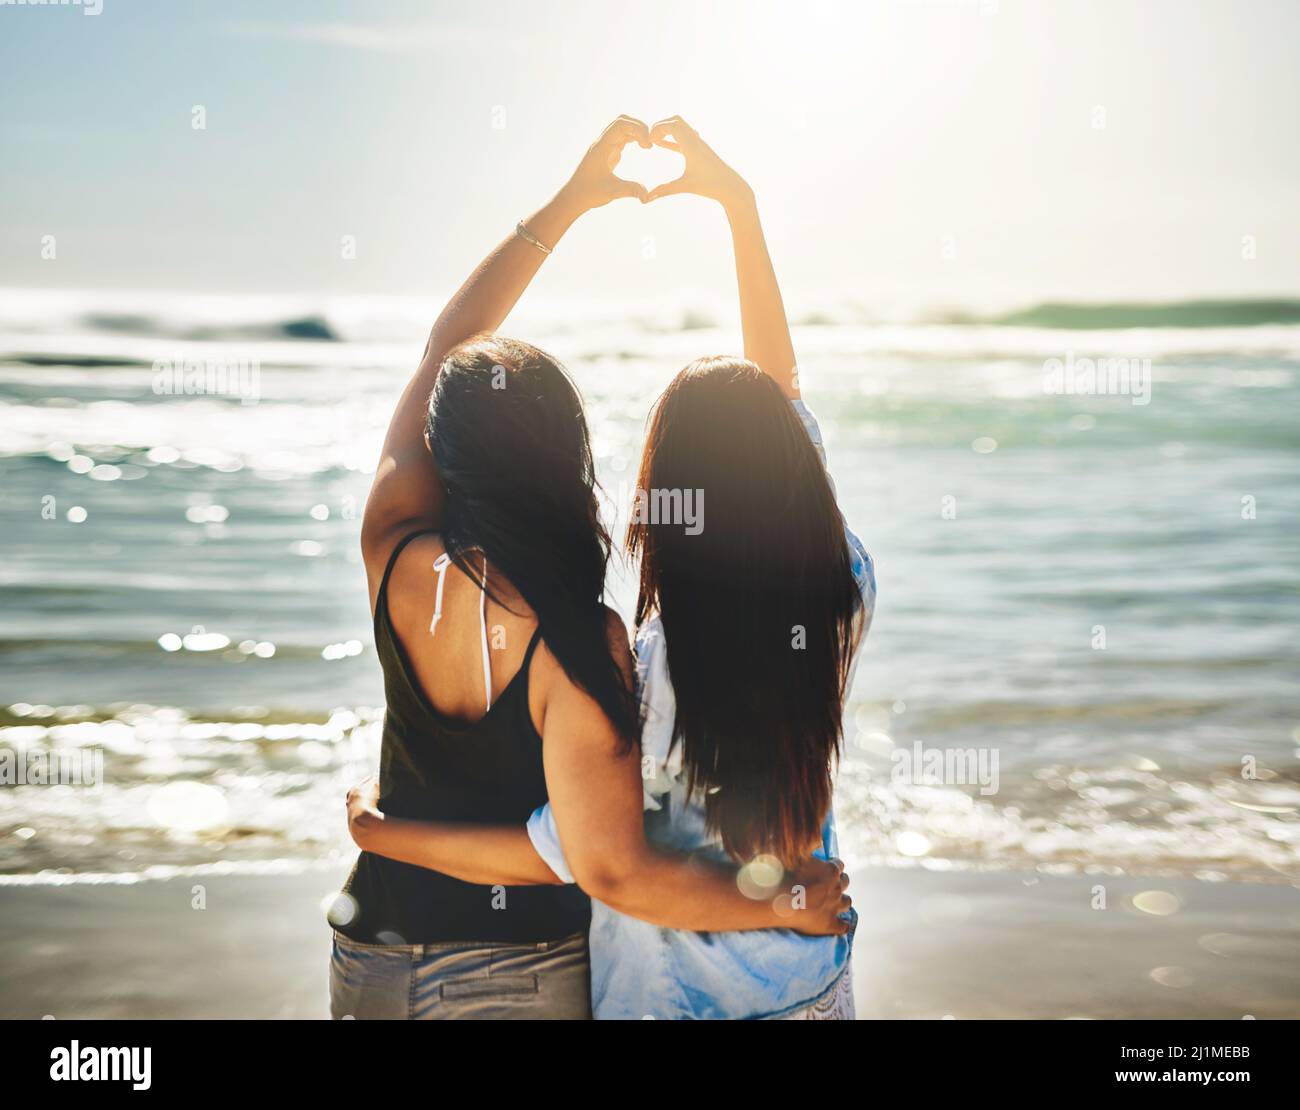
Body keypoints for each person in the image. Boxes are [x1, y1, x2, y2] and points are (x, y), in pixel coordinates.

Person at [347, 117, 875, 1020]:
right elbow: (782, 403)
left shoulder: (403, 552)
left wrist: (389, 835)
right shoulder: (841, 588)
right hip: (799, 980)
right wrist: (739, 208)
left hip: (608, 989)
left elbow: (590, 859)